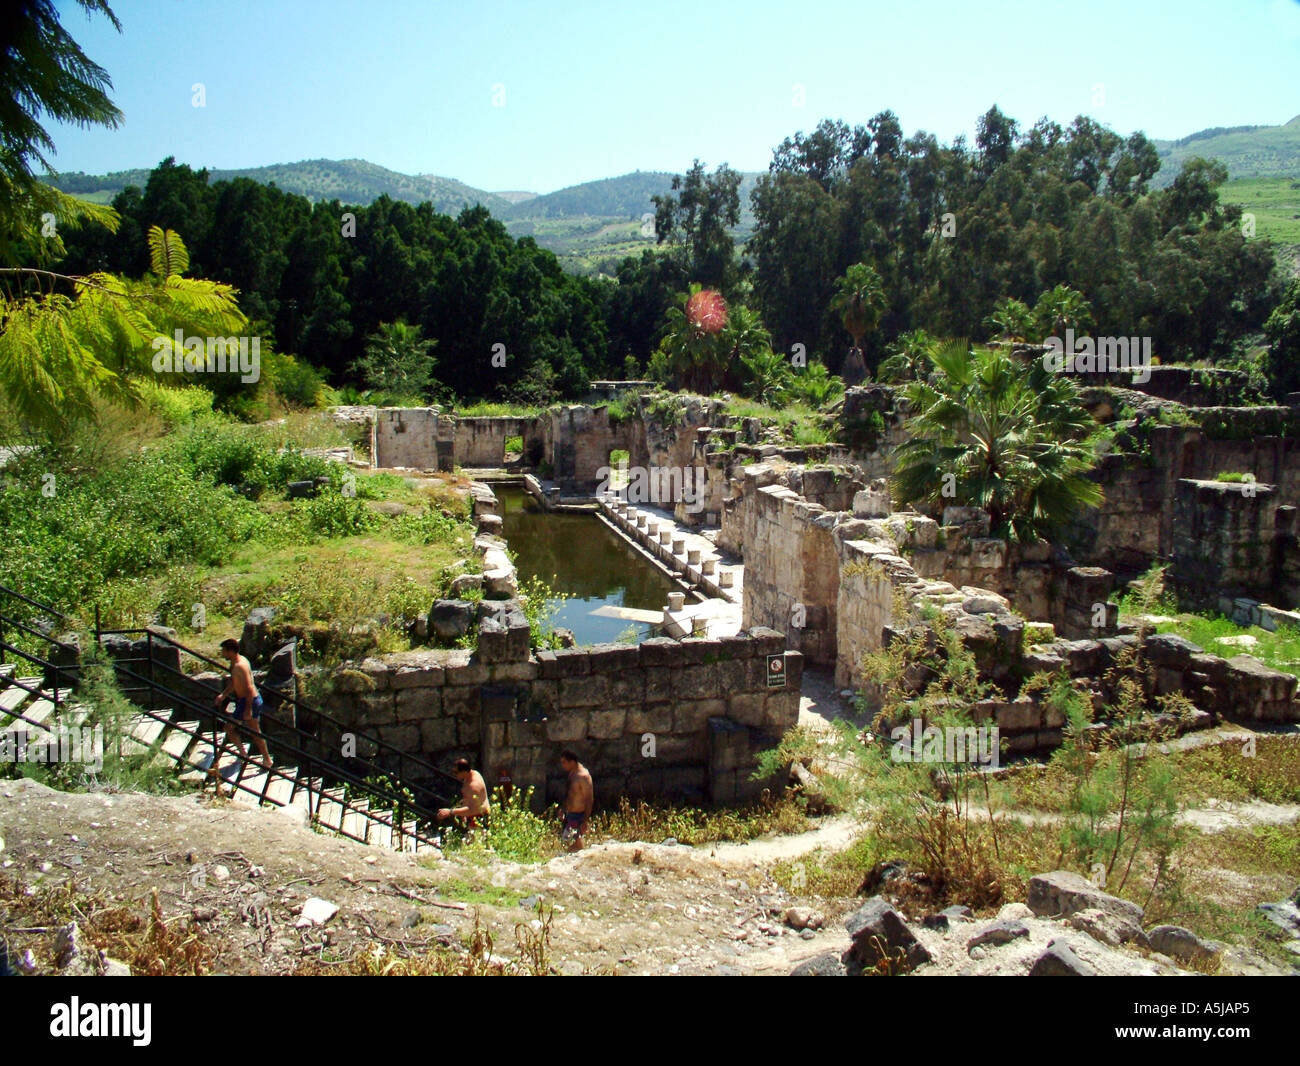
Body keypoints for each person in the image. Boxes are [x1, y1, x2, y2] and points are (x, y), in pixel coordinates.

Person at [208, 638, 271, 794]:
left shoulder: (239, 666)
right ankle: (244, 754)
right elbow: (234, 683)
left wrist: (248, 709)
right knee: (230, 728)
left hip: (249, 701)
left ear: (230, 651)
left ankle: (266, 759)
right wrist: (223, 695)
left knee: (253, 731)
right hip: (245, 701)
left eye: (224, 651)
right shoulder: (237, 662)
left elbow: (248, 688)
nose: (222, 653)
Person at [438, 758, 491, 832]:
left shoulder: (474, 785)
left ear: (464, 771)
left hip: (479, 820)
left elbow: (471, 809)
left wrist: (450, 812)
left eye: (456, 772)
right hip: (472, 818)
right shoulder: (469, 776)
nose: (454, 774)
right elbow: (468, 799)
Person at [559, 749, 592, 850]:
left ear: (572, 762)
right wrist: (563, 809)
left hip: (578, 816)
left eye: (564, 762)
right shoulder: (572, 774)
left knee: (570, 845)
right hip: (570, 815)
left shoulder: (583, 777)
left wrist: (585, 821)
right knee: (569, 845)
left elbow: (589, 799)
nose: (562, 765)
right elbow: (569, 794)